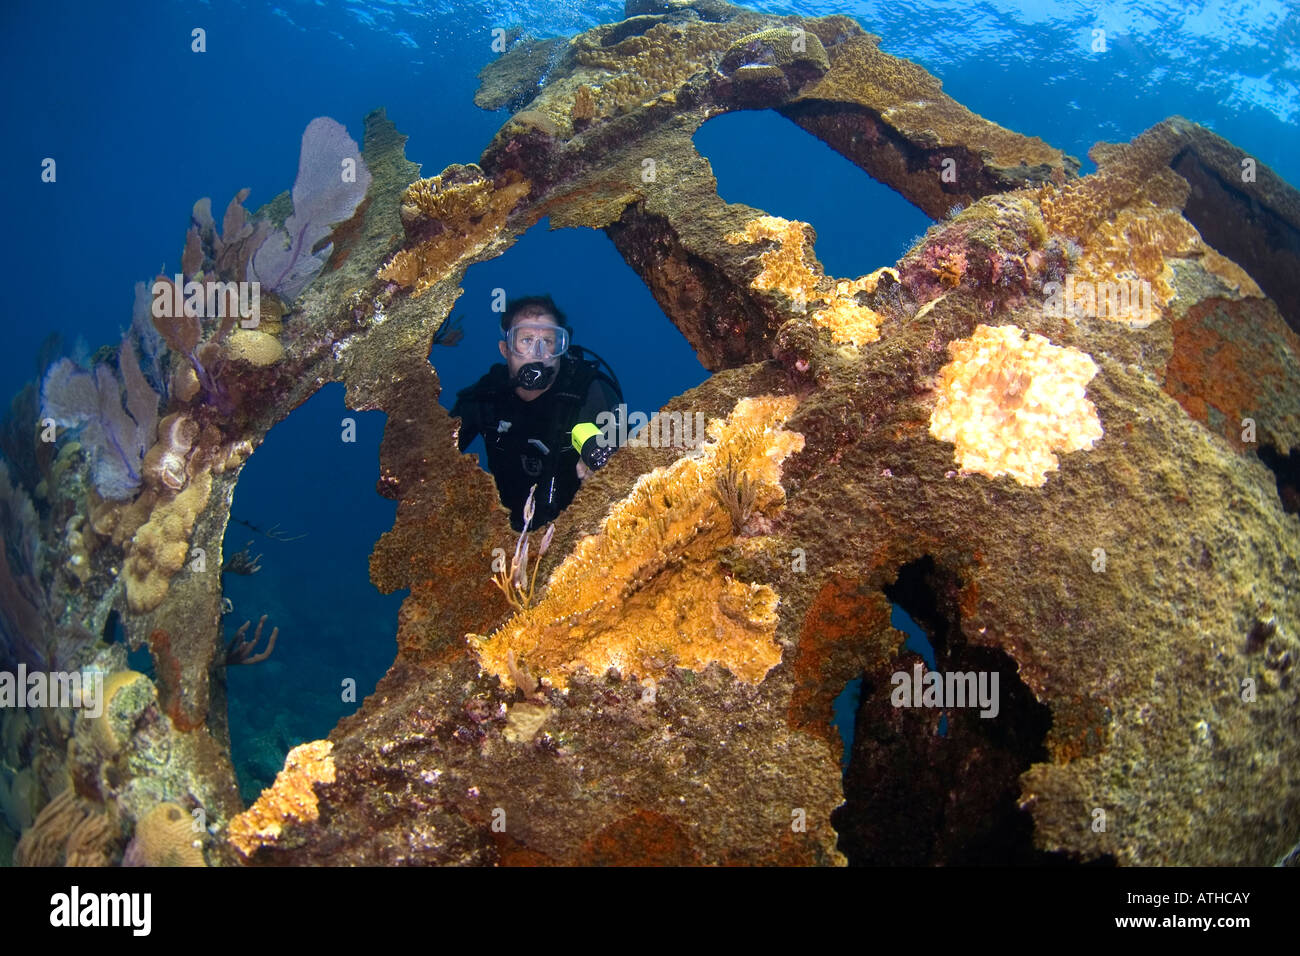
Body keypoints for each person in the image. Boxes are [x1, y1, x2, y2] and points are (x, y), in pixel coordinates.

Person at [451, 295, 623, 531]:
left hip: (579, 533)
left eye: (549, 341)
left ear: (562, 347)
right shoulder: (485, 398)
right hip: (507, 534)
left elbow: (623, 461)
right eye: (527, 340)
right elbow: (437, 453)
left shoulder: (590, 392)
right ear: (505, 349)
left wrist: (602, 472)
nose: (539, 352)